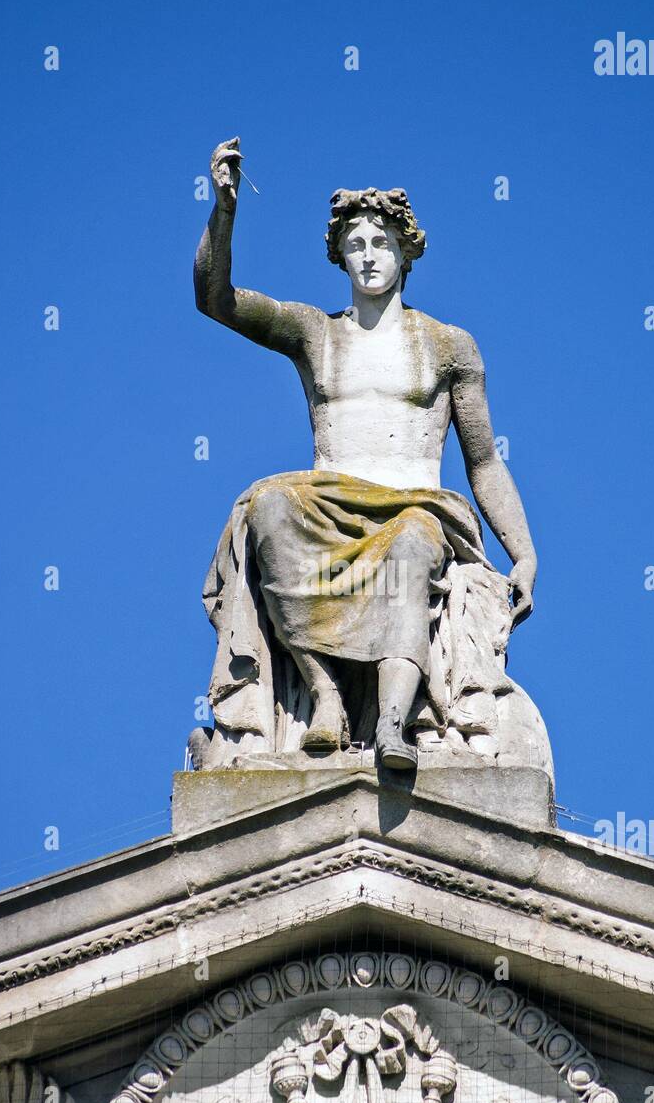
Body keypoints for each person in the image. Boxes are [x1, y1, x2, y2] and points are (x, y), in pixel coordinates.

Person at [194, 138, 537, 770]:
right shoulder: (313, 332)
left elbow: (483, 461)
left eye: (382, 243)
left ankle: (392, 723)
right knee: (266, 505)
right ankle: (324, 695)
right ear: (339, 257)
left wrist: (523, 552)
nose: (369, 256)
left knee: (411, 543)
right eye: (356, 245)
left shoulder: (449, 345)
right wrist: (224, 212)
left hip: (416, 506)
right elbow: (216, 301)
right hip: (327, 503)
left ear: (406, 252)